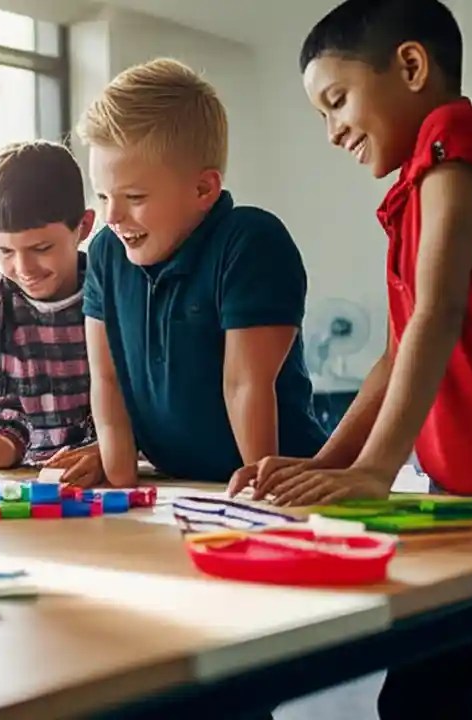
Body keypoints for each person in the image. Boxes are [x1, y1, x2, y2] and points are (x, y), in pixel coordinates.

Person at [234, 1, 472, 717]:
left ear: (411, 66)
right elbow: (401, 348)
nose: (332, 130)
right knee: (417, 704)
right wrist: (334, 460)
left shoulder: (454, 133)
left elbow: (439, 313)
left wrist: (375, 469)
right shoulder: (417, 184)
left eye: (336, 101)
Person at [79, 58, 326, 488]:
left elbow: (244, 383)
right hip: (176, 484)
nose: (113, 215)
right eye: (103, 195)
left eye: (134, 196)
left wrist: (258, 494)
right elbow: (108, 378)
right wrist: (121, 489)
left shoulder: (250, 241)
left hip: (279, 479)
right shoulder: (105, 252)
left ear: (203, 189)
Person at [0, 140, 103, 486]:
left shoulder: (113, 289)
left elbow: (129, 394)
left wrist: (106, 449)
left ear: (84, 226)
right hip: (24, 478)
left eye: (41, 248)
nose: (23, 267)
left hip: (110, 469)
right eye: (5, 250)